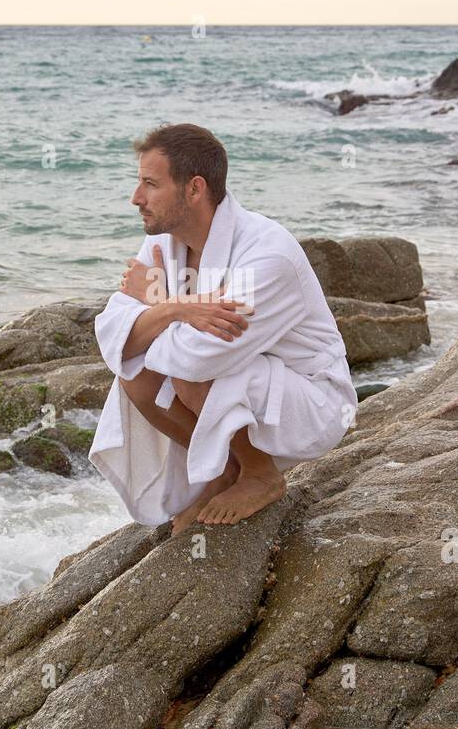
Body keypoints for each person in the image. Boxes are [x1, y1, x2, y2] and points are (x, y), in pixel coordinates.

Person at [89, 124, 358, 530]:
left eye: (150, 184)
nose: (136, 198)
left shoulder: (267, 255)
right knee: (135, 377)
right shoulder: (165, 243)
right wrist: (177, 307)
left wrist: (158, 304)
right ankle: (225, 470)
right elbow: (114, 336)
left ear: (194, 189)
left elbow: (202, 358)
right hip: (253, 379)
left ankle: (260, 473)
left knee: (188, 375)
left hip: (310, 397)